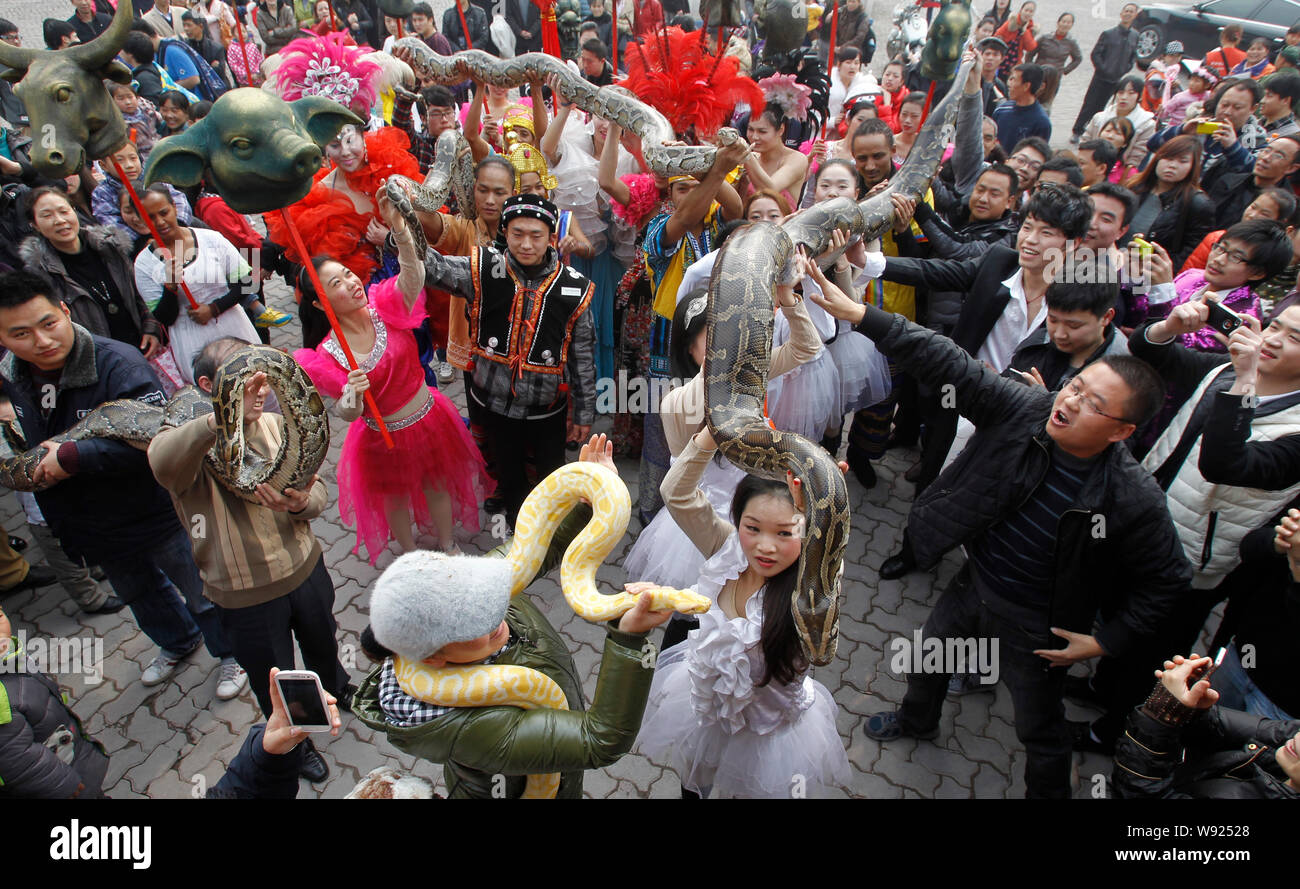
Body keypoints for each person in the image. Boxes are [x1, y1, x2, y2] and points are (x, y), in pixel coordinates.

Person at [807, 256, 1190, 800]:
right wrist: (864, 315)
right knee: (929, 656)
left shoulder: (1133, 498)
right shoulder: (1028, 409)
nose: (1070, 402)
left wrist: (1103, 641)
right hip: (974, 580)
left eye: (1092, 405)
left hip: (1042, 626)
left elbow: (1168, 580)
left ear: (1122, 431)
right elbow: (953, 364)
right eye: (1076, 387)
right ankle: (917, 720)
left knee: (1039, 726)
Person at [354, 434, 676, 799]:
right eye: (475, 624)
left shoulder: (468, 589)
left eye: (487, 597)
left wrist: (586, 504)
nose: (496, 617)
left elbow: (537, 550)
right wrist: (629, 641)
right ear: (433, 657)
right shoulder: (475, 727)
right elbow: (599, 740)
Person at [0, 271, 242, 695]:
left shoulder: (117, 363)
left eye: (47, 324)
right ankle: (177, 642)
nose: (40, 341)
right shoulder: (13, 378)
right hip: (88, 521)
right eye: (20, 333)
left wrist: (74, 456)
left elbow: (157, 439)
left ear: (63, 310)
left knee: (200, 586)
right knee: (139, 592)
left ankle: (232, 654)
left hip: (151, 509)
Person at [149, 337, 351, 783]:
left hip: (304, 568)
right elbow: (162, 466)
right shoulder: (190, 446)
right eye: (246, 379)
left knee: (323, 639)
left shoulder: (279, 426)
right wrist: (216, 421)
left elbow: (318, 491)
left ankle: (336, 686)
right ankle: (297, 747)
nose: (260, 387)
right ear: (208, 385)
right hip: (244, 595)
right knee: (275, 681)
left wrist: (300, 503)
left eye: (264, 378)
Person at [870, 183, 1095, 568]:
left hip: (1020, 418)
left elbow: (1093, 362)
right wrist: (872, 264)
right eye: (1028, 227)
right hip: (959, 400)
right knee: (935, 480)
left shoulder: (1079, 295)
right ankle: (915, 552)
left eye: (1047, 233)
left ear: (1071, 244)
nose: (1031, 240)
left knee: (984, 492)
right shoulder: (999, 261)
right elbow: (939, 271)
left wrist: (1048, 395)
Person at [636, 421, 852, 798]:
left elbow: (823, 648)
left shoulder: (813, 582)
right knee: (693, 781)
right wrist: (712, 432)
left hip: (767, 734)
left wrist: (824, 500)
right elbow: (676, 492)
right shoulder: (725, 549)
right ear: (737, 523)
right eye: (753, 528)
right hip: (707, 710)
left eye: (785, 533)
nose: (765, 546)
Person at [293, 189, 493, 559]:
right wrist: (352, 396)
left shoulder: (385, 304)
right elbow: (346, 413)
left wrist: (399, 228)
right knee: (395, 499)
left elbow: (414, 273)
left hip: (428, 418)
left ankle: (448, 545)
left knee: (438, 485)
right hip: (380, 437)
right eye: (336, 283)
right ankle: (410, 555)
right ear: (321, 303)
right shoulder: (326, 355)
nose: (351, 283)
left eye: (348, 274)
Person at [420, 193, 598, 528]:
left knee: (550, 473)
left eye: (536, 235)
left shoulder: (575, 288)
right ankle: (518, 529)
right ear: (505, 231)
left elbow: (583, 357)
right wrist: (401, 230)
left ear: (552, 238)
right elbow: (431, 268)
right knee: (508, 469)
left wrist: (585, 413)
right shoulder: (485, 268)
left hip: (549, 408)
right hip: (495, 403)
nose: (526, 245)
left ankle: (549, 532)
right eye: (517, 234)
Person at [20, 186, 166, 359]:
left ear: (74, 211)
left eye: (63, 211)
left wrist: (152, 327)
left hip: (145, 347)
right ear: (34, 224)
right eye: (47, 215)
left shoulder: (110, 247)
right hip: (102, 360)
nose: (59, 220)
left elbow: (140, 292)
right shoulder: (41, 275)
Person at [133, 185, 260, 383]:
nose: (159, 222)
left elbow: (247, 284)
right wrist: (170, 288)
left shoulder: (211, 239)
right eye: (150, 217)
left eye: (164, 212)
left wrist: (214, 308)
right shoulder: (143, 264)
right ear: (140, 221)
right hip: (191, 342)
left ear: (174, 207)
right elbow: (164, 317)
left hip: (234, 327)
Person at [0, 610, 109, 798]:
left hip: (64, 752)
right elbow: (16, 758)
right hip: (59, 783)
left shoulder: (8, 659)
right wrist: (62, 784)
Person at [1005, 276, 1129, 391]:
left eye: (1073, 325)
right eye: (1053, 320)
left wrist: (1043, 402)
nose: (1059, 334)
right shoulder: (1038, 345)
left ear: (1106, 317)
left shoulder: (1120, 372)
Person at [1120, 134, 1214, 270]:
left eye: (1182, 161)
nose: (1172, 165)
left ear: (1193, 167)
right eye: (1168, 158)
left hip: (1147, 273)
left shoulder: (1197, 203)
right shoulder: (1135, 186)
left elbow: (1191, 251)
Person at [1070, 3, 1138, 144]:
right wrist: (1103, 69)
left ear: (1135, 15)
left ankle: (1092, 131)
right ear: (1121, 14)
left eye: (1131, 12)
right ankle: (1077, 130)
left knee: (1103, 108)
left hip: (1116, 79)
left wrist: (1123, 70)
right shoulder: (1109, 33)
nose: (1128, 14)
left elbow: (1132, 57)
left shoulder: (1135, 36)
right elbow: (1096, 54)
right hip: (1100, 77)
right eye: (1126, 11)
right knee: (1089, 104)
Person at [1205, 134, 1300, 231]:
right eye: (1267, 150)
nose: (1266, 158)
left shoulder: (1288, 207)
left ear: (1291, 168)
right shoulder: (1228, 181)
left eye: (1278, 156)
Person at [1080, 75, 1156, 171]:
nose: (1124, 97)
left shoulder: (1146, 123)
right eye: (1120, 92)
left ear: (1140, 95)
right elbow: (1085, 140)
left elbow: (1137, 155)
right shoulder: (1100, 117)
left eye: (1131, 93)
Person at [992, 63, 1050, 153]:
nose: (1008, 83)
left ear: (1026, 86)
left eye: (1013, 79)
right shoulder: (1002, 110)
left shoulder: (1041, 122)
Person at [1026, 12, 1080, 109]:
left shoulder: (1071, 43)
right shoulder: (1045, 38)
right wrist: (1031, 68)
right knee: (1029, 99)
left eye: (1069, 22)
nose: (1065, 24)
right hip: (1039, 73)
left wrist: (1065, 70)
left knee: (1045, 105)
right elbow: (1030, 52)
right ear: (1058, 23)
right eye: (1063, 21)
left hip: (1054, 79)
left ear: (1071, 25)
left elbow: (1078, 58)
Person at [992, 1, 1036, 81]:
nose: (1028, 13)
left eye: (1031, 11)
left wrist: (1024, 31)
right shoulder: (1011, 22)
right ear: (1021, 10)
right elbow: (997, 36)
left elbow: (1030, 47)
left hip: (1015, 61)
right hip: (1003, 58)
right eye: (1026, 10)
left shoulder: (1030, 28)